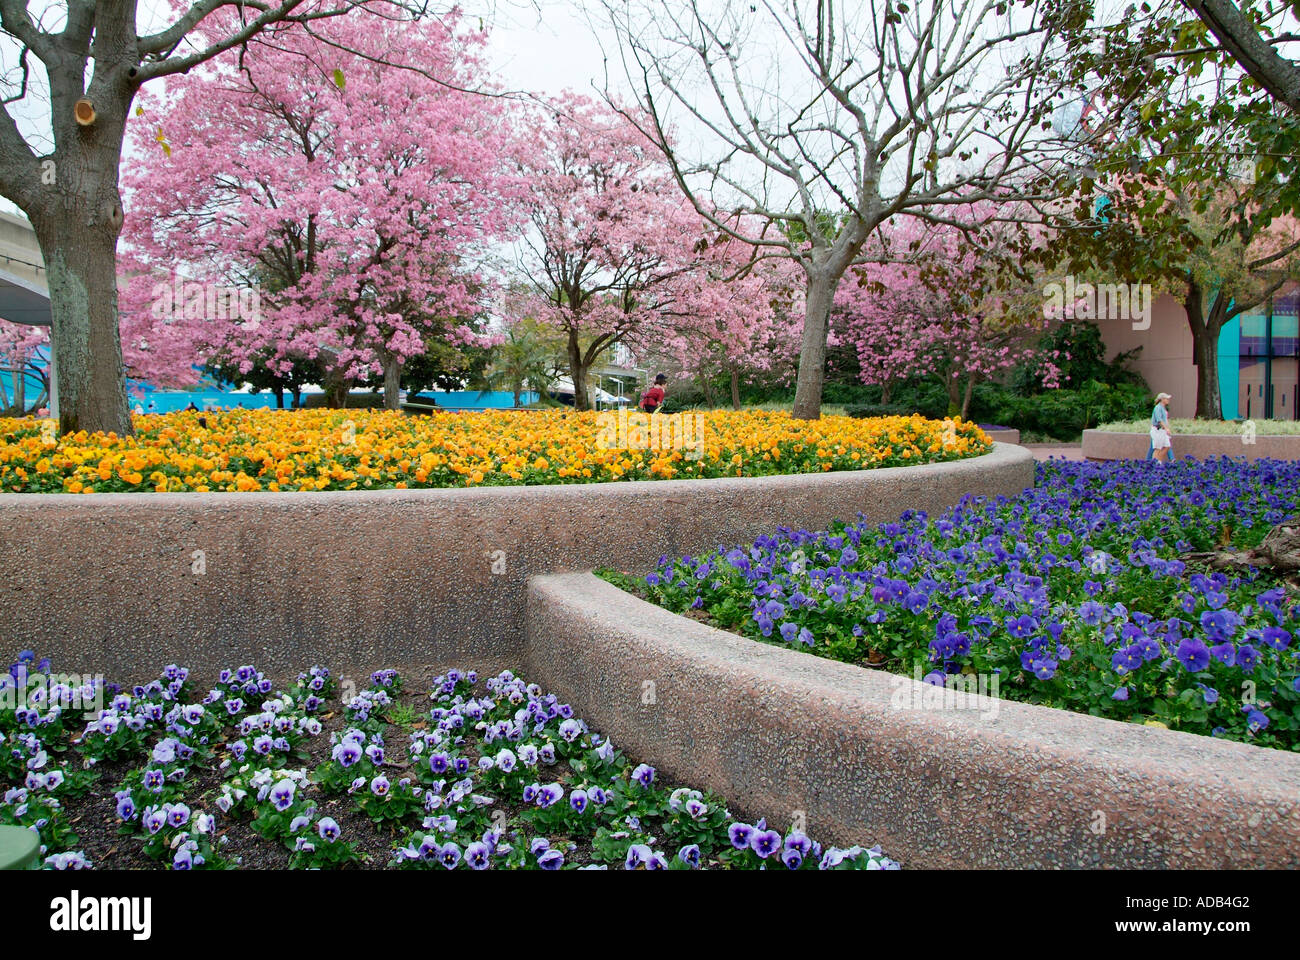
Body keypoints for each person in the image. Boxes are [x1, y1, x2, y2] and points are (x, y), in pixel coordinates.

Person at [1149, 391, 1173, 463]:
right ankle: (1154, 463)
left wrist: (1166, 428)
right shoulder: (1158, 408)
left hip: (1162, 431)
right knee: (1157, 448)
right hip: (1157, 430)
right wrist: (1166, 428)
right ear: (1162, 399)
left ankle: (1158, 461)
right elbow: (1159, 420)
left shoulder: (1163, 408)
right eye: (1166, 398)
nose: (1168, 400)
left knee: (1167, 446)